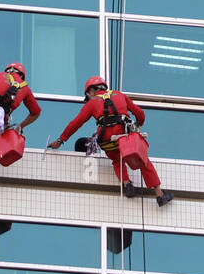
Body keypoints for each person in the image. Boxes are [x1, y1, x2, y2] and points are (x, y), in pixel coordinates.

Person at [48, 76, 174, 207]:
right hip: (124, 136)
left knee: (116, 160)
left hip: (106, 140)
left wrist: (60, 140)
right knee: (143, 161)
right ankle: (159, 195)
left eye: (88, 94)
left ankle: (127, 184)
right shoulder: (119, 95)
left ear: (92, 90)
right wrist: (138, 125)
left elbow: (76, 123)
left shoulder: (91, 103)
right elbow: (140, 113)